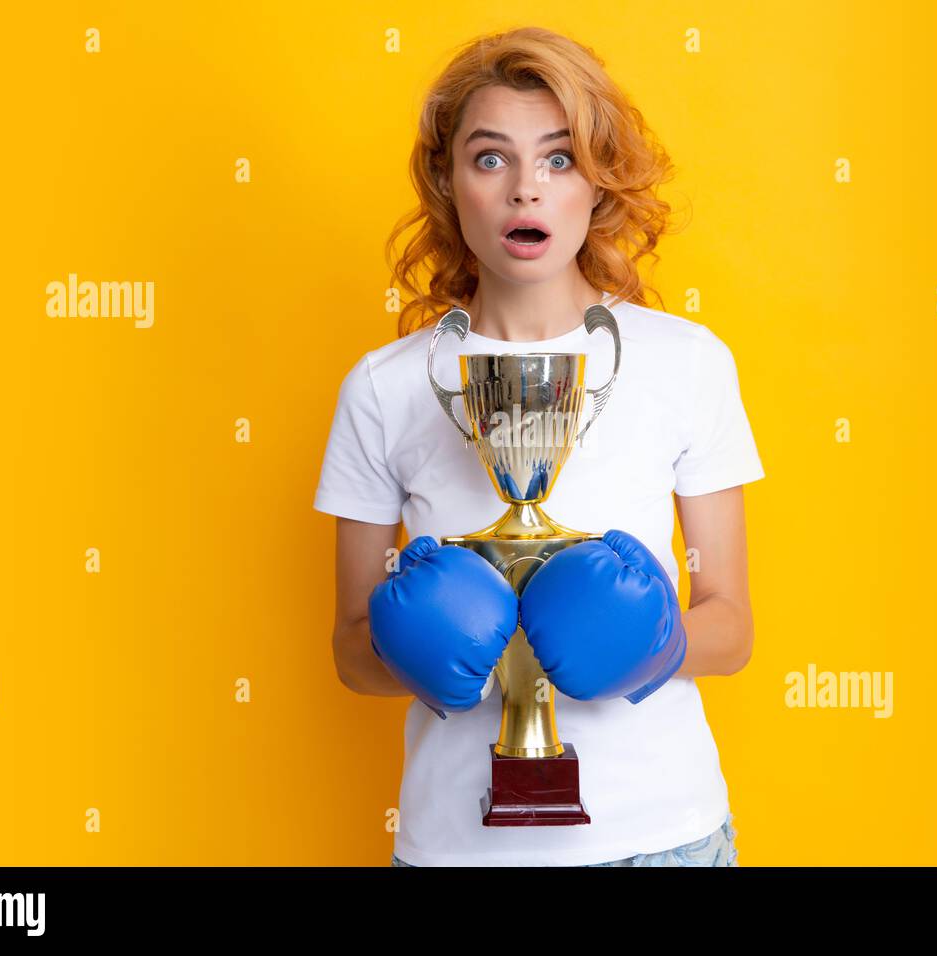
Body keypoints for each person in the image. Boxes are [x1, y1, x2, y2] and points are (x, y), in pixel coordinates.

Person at [313, 26, 765, 867]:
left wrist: (650, 645)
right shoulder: (385, 387)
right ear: (450, 185)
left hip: (662, 838)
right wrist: (421, 649)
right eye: (491, 159)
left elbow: (731, 628)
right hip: (457, 846)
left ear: (598, 183)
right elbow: (349, 653)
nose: (528, 189)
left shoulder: (687, 362)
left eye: (559, 159)